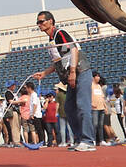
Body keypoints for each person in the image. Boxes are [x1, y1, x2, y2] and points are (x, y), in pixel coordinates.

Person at [33, 11, 95, 151]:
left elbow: (74, 51)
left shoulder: (59, 34)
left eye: (41, 21)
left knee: (82, 105)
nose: (39, 24)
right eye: (38, 22)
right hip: (70, 76)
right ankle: (79, 140)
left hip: (80, 71)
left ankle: (88, 140)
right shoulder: (51, 41)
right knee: (69, 108)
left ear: (50, 21)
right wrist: (44, 73)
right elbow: (58, 63)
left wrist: (73, 72)